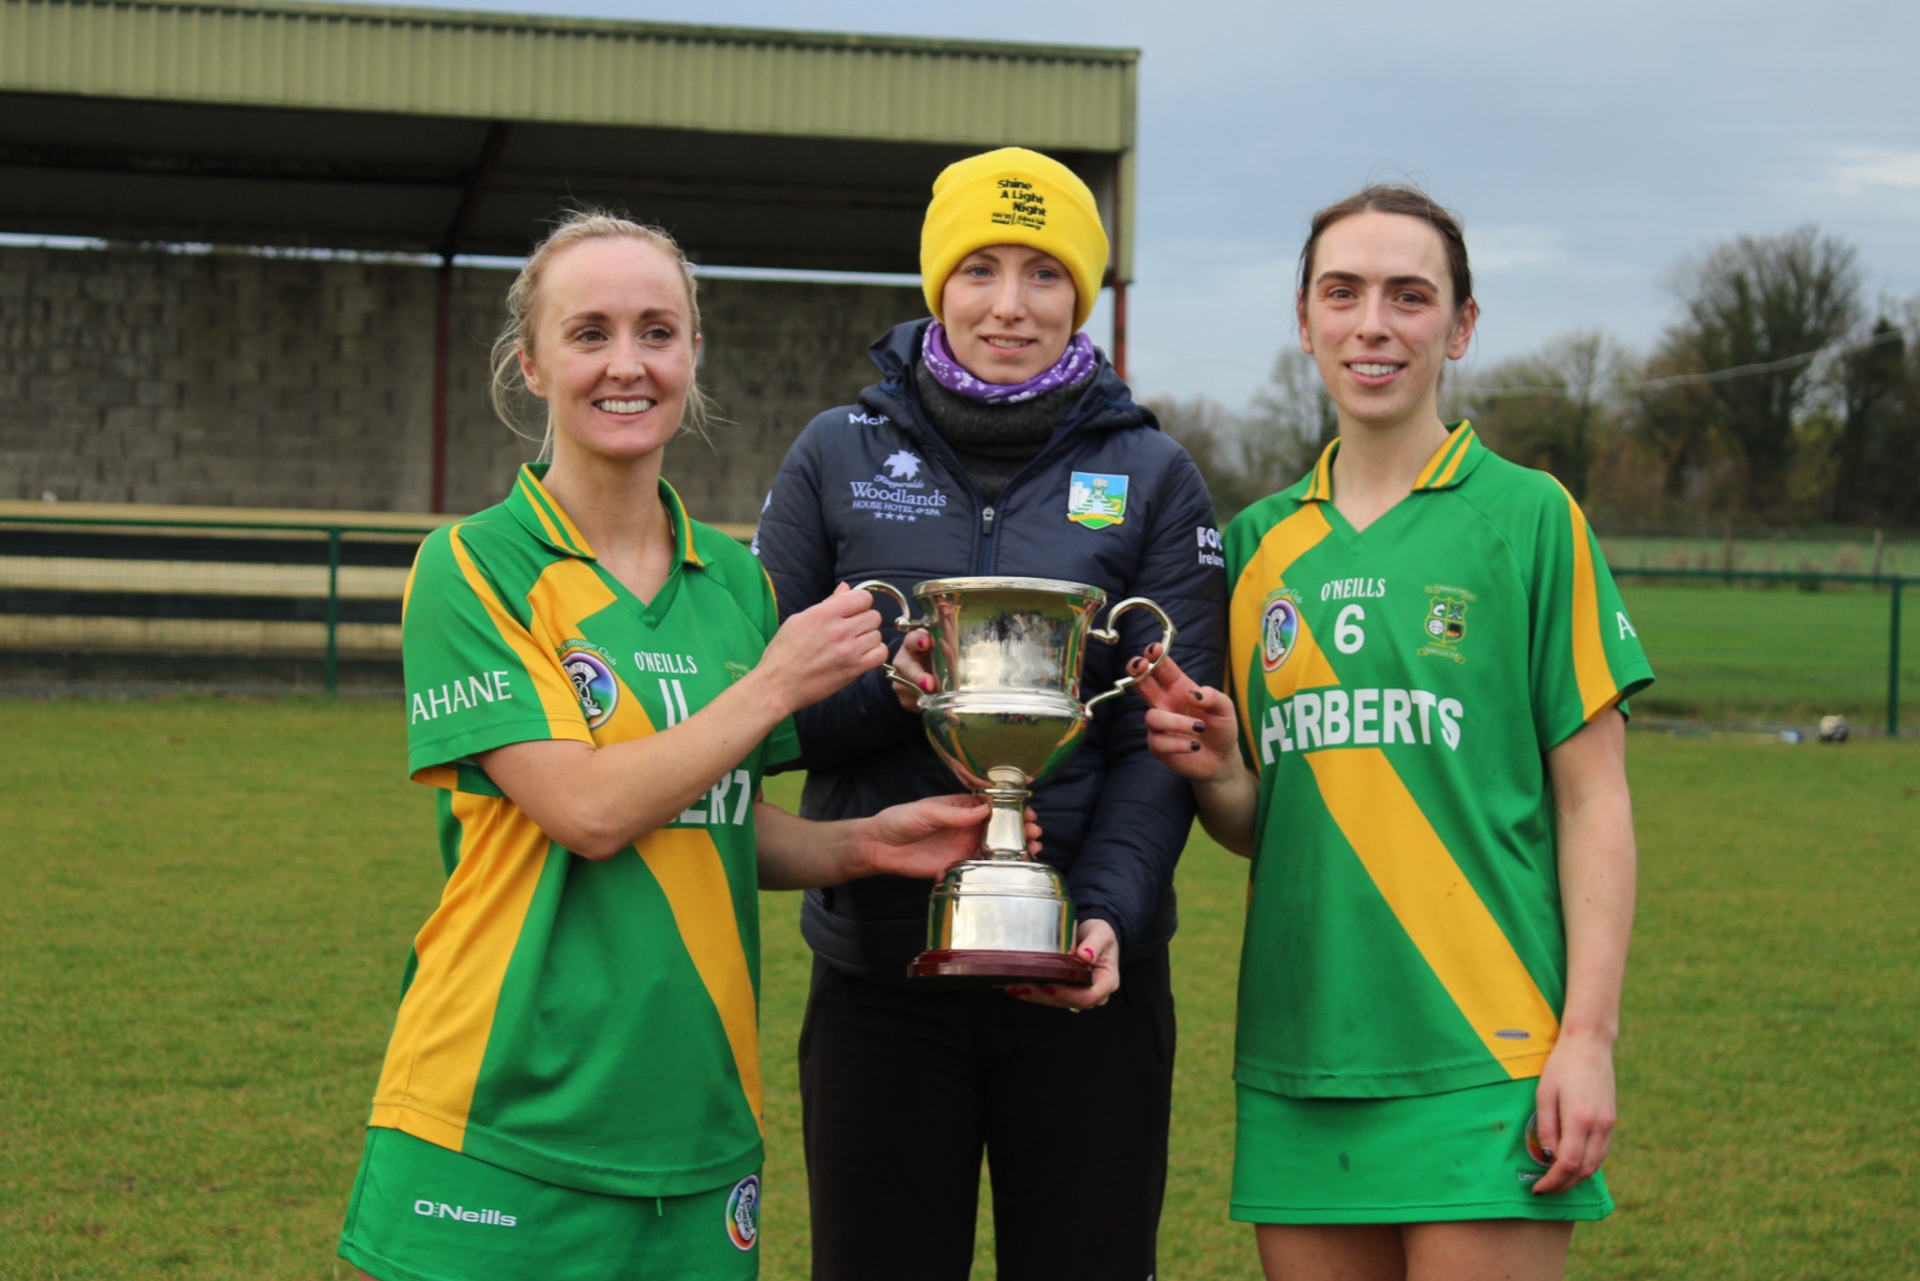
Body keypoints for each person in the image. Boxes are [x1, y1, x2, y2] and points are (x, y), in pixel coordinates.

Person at [337, 211, 1027, 1281]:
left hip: (699, 1139)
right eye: (590, 333)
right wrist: (773, 685)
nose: (628, 364)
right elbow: (593, 813)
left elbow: (709, 820)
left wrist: (862, 845)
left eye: (658, 332)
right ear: (531, 363)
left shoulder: (735, 583)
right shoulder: (473, 567)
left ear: (694, 353)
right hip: (499, 1122)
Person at [1132, 185, 1654, 1281]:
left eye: (1409, 296)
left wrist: (1589, 1041)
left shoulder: (1530, 518)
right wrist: (1225, 771)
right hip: (1302, 1060)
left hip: (1488, 1053)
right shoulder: (1256, 547)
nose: (1374, 323)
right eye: (1345, 292)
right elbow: (1263, 824)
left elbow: (1594, 800)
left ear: (1460, 327)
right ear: (1306, 317)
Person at [755, 147, 1228, 1280]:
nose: (1010, 305)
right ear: (936, 284)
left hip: (1089, 980)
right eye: (979, 269)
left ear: (1084, 294)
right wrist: (899, 689)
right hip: (879, 969)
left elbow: (1160, 743)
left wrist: (1105, 912)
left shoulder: (1156, 474)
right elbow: (761, 720)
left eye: (1044, 273)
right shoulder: (834, 456)